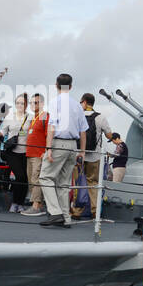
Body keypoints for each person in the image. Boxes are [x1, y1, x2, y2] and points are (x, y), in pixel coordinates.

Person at [40, 73, 88, 228]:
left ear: (56, 85)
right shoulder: (77, 106)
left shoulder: (55, 103)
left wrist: (48, 148)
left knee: (45, 177)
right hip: (73, 146)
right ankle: (66, 219)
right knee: (64, 184)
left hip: (58, 144)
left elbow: (52, 126)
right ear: (71, 86)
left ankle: (55, 213)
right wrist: (82, 151)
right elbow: (83, 131)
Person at [79, 93, 111, 215]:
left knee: (78, 183)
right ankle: (95, 211)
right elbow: (108, 134)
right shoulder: (100, 117)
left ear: (85, 102)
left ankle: (76, 211)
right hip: (95, 155)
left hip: (79, 155)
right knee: (93, 183)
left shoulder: (78, 116)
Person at [1, 93, 32, 212]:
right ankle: (14, 203)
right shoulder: (9, 117)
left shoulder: (30, 117)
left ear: (26, 105)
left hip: (25, 151)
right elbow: (3, 132)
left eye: (22, 103)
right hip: (12, 151)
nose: (20, 105)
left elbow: (31, 133)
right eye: (18, 103)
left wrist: (20, 134)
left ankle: (20, 203)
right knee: (20, 176)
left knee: (25, 178)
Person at [20, 93, 50, 217]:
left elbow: (49, 135)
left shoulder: (45, 116)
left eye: (36, 102)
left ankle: (36, 206)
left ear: (42, 104)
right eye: (32, 102)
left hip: (39, 154)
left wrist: (47, 151)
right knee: (31, 179)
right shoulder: (33, 118)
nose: (33, 105)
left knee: (36, 179)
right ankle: (39, 205)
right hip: (30, 153)